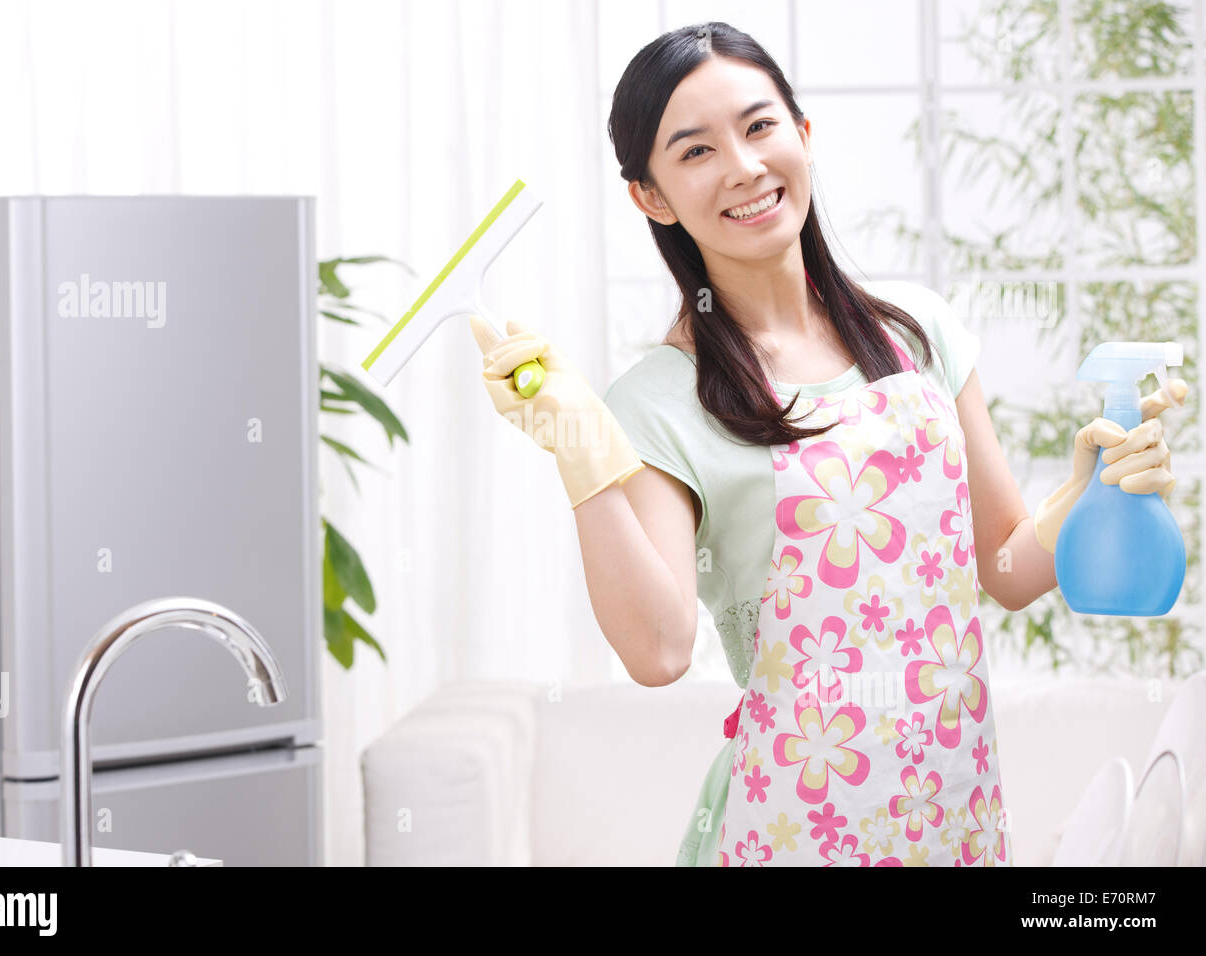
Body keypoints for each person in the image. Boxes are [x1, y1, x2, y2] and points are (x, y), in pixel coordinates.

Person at [468, 21, 1188, 867]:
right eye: (695, 152)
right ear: (651, 197)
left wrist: (1091, 493)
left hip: (953, 815)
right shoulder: (657, 402)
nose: (742, 165)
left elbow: (1005, 570)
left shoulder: (918, 334)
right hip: (793, 829)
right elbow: (658, 653)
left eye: (760, 125)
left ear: (803, 135)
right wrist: (581, 449)